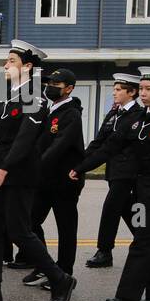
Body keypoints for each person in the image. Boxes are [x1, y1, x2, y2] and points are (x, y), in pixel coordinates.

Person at [0, 40, 75, 301]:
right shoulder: (13, 95)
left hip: (18, 175)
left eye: (11, 61)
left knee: (20, 232)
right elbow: (9, 139)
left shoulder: (34, 97)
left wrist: (3, 168)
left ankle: (60, 279)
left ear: (28, 66)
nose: (5, 65)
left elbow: (25, 139)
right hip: (5, 171)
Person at [71, 66, 150, 301]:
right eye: (142, 89)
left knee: (143, 244)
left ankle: (126, 299)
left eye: (149, 89)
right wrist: (81, 167)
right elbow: (110, 147)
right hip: (139, 192)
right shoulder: (136, 119)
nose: (143, 94)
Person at [23, 68, 85, 288]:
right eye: (49, 84)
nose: (50, 88)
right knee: (30, 222)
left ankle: (64, 273)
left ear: (69, 89)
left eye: (56, 85)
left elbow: (59, 146)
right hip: (44, 180)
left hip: (64, 181)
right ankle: (44, 266)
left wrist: (35, 166)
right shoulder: (52, 110)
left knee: (66, 228)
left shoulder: (71, 114)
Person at [82, 74, 142, 269]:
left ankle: (104, 251)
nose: (114, 93)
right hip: (115, 172)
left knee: (111, 209)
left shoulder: (138, 115)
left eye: (118, 89)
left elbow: (112, 146)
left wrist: (83, 167)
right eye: (114, 89)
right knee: (129, 210)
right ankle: (146, 242)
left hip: (128, 174)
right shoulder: (114, 113)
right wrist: (80, 160)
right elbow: (99, 141)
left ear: (132, 92)